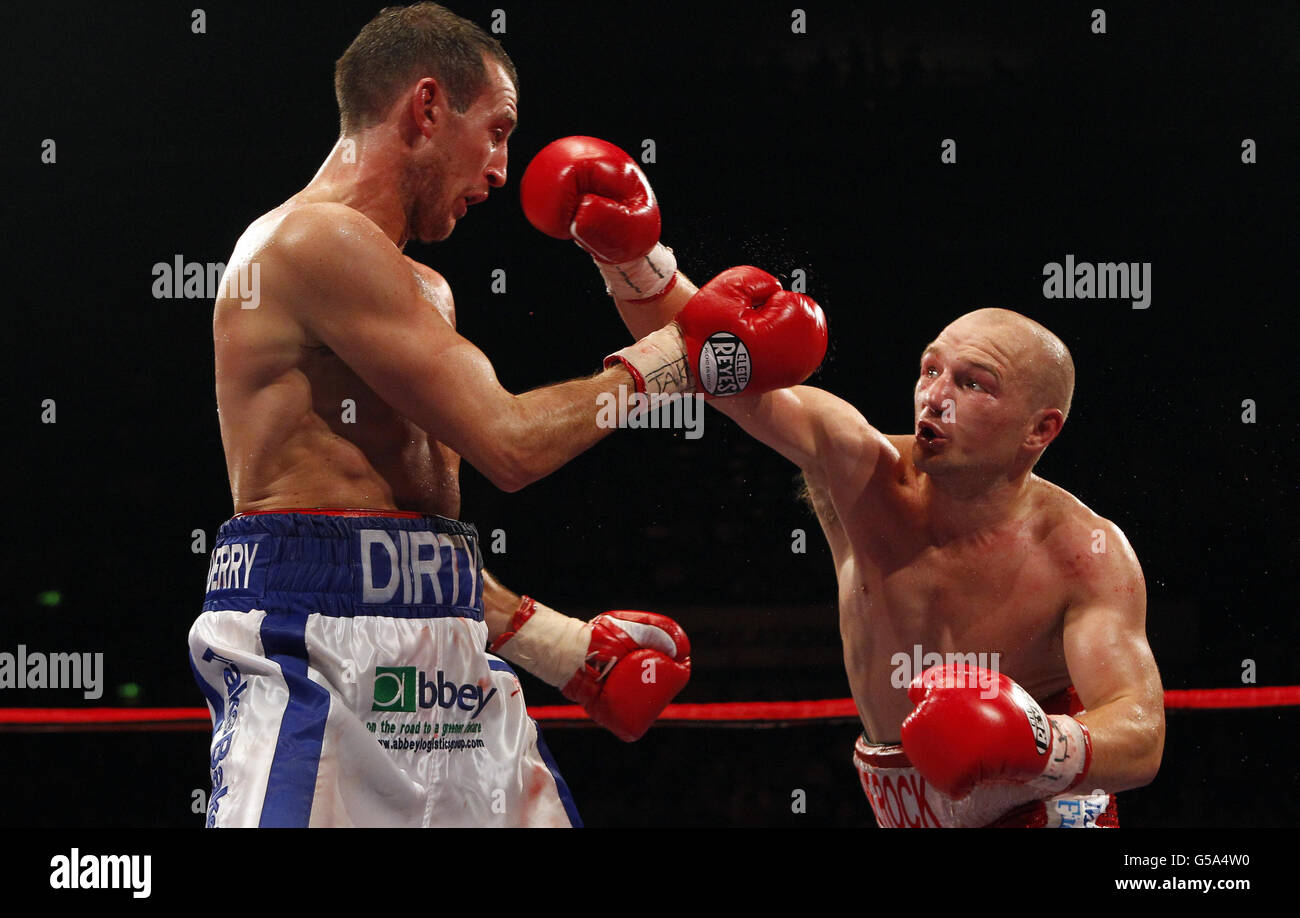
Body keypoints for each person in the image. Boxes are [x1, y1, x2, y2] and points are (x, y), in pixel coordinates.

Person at [187, 4, 825, 828]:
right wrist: (678, 354)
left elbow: (401, 540)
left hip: (448, 659)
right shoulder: (308, 242)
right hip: (315, 658)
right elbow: (512, 445)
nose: (501, 169)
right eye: (496, 131)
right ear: (426, 108)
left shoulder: (424, 288)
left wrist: (556, 644)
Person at [521, 136, 1166, 828]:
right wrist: (633, 261)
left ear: (1041, 430)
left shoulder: (1084, 550)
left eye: (974, 384)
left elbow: (1141, 732)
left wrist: (1042, 743)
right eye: (931, 369)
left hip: (1044, 803)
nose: (935, 396)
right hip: (900, 803)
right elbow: (718, 355)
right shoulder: (861, 470)